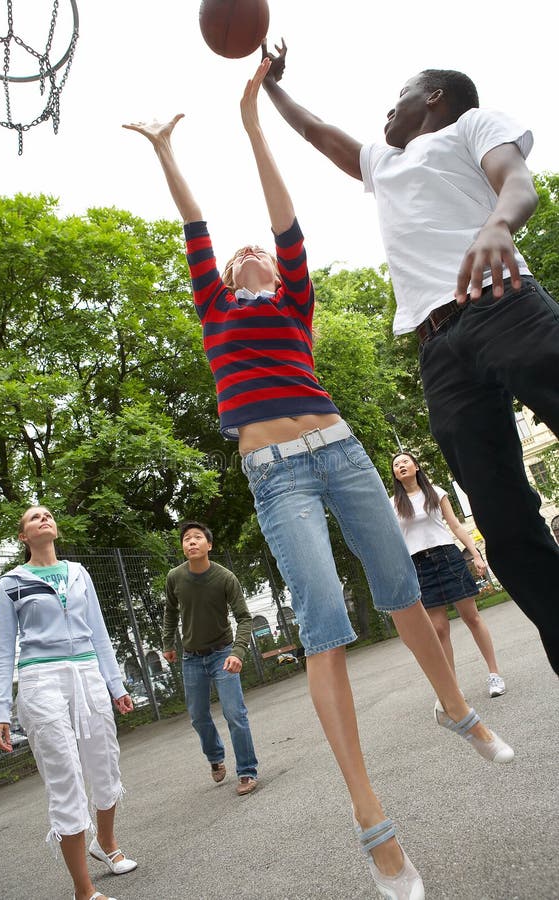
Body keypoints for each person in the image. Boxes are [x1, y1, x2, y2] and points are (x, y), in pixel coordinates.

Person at [124, 59, 513, 900]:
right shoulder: (216, 309)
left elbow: (281, 211)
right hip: (276, 474)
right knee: (326, 625)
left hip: (338, 448)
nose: (248, 251)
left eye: (257, 248)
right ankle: (376, 831)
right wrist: (165, 150)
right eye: (236, 256)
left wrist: (254, 124)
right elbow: (195, 221)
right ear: (224, 279)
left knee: (400, 589)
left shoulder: (294, 298)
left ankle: (457, 712)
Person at [260, 43, 559, 678]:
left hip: (502, 301)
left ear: (433, 98)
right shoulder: (384, 162)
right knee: (502, 519)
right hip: (438, 347)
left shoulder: (468, 128)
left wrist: (499, 224)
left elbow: (517, 180)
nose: (385, 109)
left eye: (399, 94)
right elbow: (317, 134)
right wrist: (272, 86)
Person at [0, 506, 137, 900]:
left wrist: (115, 684)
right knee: (65, 776)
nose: (44, 518)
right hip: (42, 681)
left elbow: (100, 633)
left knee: (105, 763)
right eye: (34, 517)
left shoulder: (78, 572)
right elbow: (2, 650)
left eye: (48, 514)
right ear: (23, 537)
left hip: (87, 673)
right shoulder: (11, 583)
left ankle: (104, 842)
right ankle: (83, 890)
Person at [391, 452, 506, 699]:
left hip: (447, 557)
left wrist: (475, 553)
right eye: (396, 465)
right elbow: (395, 541)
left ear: (416, 466)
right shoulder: (393, 504)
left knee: (472, 617)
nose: (400, 466)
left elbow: (454, 524)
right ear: (395, 474)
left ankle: (494, 674)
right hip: (419, 565)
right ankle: (453, 689)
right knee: (439, 628)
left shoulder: (436, 492)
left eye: (404, 461)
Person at [162, 521, 258, 796]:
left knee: (234, 713)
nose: (191, 542)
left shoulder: (225, 578)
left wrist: (238, 652)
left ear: (209, 545)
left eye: (197, 538)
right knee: (198, 717)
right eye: (186, 539)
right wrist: (168, 643)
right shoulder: (175, 577)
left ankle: (247, 772)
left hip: (222, 654)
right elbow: (170, 612)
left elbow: (244, 618)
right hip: (191, 658)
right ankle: (215, 757)